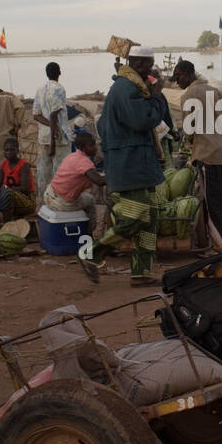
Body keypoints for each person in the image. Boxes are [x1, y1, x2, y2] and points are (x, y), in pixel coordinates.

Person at [88, 46, 169, 285]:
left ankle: (141, 272)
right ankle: (92, 253)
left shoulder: (133, 87)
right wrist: (156, 95)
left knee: (150, 216)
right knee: (137, 216)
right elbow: (143, 119)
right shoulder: (125, 89)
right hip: (129, 164)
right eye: (147, 65)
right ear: (136, 63)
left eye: (152, 64)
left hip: (140, 164)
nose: (151, 69)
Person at [173, 59, 222, 247]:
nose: (177, 83)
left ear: (187, 75)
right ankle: (221, 239)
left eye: (178, 78)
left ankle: (219, 246)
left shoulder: (188, 96)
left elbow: (188, 132)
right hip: (221, 154)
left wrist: (190, 142)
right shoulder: (215, 92)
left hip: (206, 156)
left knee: (210, 203)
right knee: (220, 201)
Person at [45, 131, 106, 235]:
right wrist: (116, 177)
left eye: (94, 144)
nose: (95, 147)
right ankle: (89, 234)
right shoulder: (83, 162)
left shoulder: (72, 156)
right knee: (90, 200)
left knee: (85, 196)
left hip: (49, 194)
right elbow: (99, 181)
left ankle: (83, 227)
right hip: (61, 202)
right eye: (91, 145)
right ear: (82, 148)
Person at [34, 61, 72, 201]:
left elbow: (36, 115)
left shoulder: (40, 89)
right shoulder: (59, 89)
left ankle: (42, 202)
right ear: (59, 73)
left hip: (43, 137)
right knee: (60, 172)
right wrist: (53, 138)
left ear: (46, 73)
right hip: (58, 138)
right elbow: (54, 114)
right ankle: (58, 201)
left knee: (43, 173)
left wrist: (49, 127)